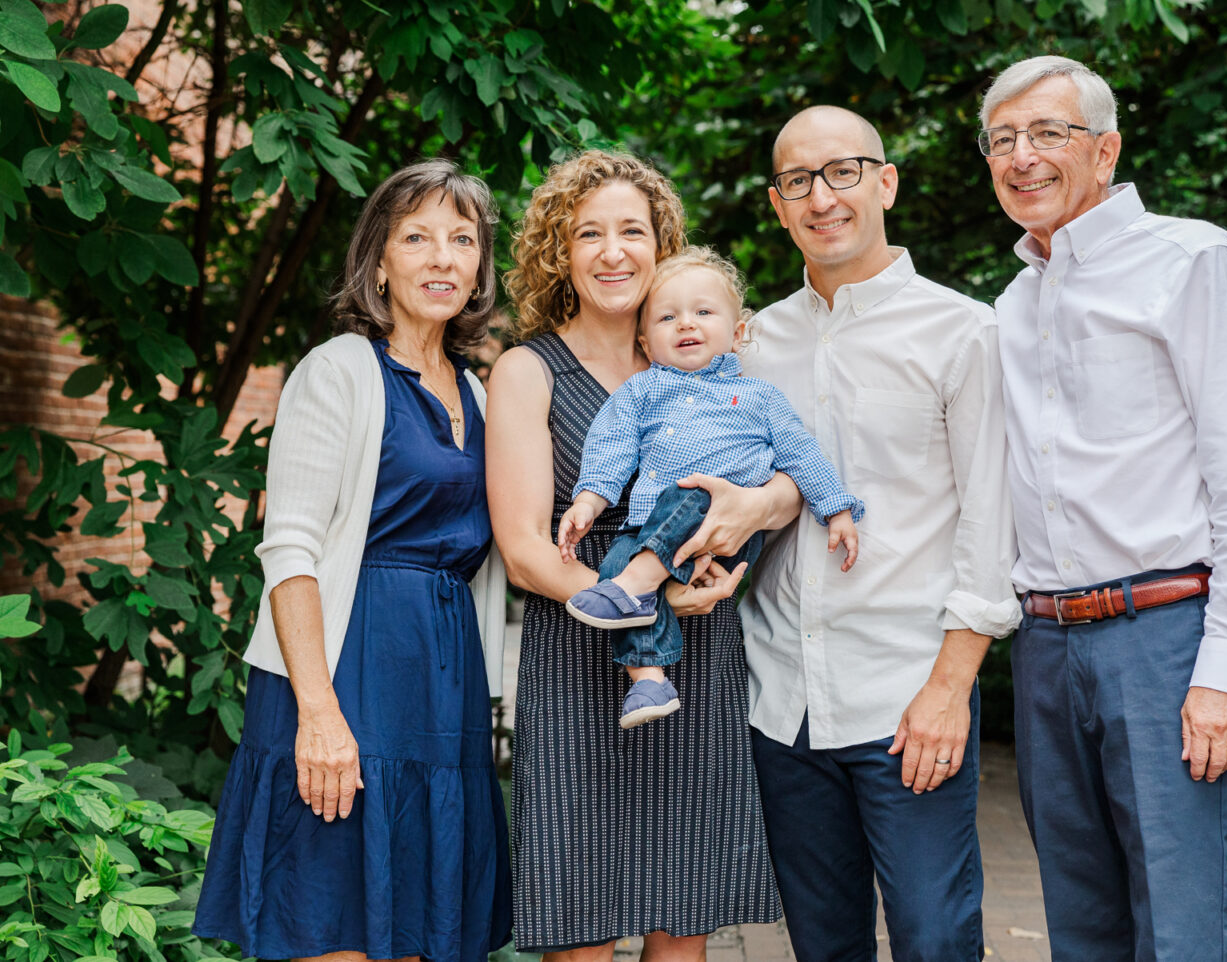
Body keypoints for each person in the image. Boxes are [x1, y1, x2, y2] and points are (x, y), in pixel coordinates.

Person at [980, 55, 1227, 962]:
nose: (1022, 156)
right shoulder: (1010, 302)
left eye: (1048, 133)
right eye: (1002, 140)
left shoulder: (1189, 257)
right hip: (1043, 650)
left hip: (1166, 642)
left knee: (1182, 933)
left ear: (1105, 150)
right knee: (1083, 933)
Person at [193, 159, 512, 962]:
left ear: (479, 267)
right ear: (378, 261)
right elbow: (289, 547)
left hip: (443, 686)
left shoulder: (480, 394)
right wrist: (318, 711)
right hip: (345, 672)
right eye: (417, 238)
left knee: (417, 931)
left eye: (462, 240)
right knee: (333, 927)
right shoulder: (337, 372)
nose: (442, 258)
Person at [486, 151, 788, 961]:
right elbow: (522, 550)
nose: (613, 250)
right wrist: (639, 599)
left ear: (662, 246)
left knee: (682, 922)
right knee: (579, 930)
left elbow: (768, 483)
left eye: (632, 230)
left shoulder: (700, 361)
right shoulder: (528, 368)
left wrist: (730, 565)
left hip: (695, 653)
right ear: (561, 250)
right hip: (579, 655)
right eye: (589, 233)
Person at [738, 106, 1018, 962]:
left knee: (936, 940)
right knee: (824, 947)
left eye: (843, 172)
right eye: (798, 182)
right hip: (780, 701)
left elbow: (991, 521)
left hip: (907, 700)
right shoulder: (750, 344)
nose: (822, 197)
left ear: (885, 181)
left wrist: (950, 687)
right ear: (778, 205)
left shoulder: (964, 331)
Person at [559, 246, 863, 729]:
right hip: (652, 530)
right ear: (645, 340)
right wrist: (589, 500)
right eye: (667, 317)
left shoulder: (759, 397)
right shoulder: (641, 392)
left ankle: (638, 585)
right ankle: (648, 678)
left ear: (738, 332)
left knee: (693, 495)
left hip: (724, 532)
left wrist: (837, 509)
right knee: (614, 564)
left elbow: (801, 454)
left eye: (703, 312)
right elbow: (612, 445)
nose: (686, 324)